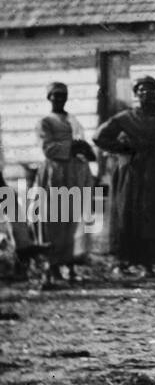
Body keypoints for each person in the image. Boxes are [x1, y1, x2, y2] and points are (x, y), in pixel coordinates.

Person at [95, 77, 155, 277]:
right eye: (142, 90)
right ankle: (145, 264)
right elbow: (100, 137)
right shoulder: (126, 117)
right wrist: (125, 148)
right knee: (142, 217)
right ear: (136, 93)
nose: (146, 93)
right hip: (140, 172)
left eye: (150, 90)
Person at [32, 81, 96, 285]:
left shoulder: (73, 120)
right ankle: (52, 267)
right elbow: (48, 148)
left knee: (73, 219)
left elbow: (83, 145)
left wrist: (82, 149)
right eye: (55, 95)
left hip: (74, 174)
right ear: (49, 97)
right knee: (53, 219)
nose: (59, 99)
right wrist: (72, 146)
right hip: (54, 174)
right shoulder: (45, 122)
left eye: (63, 95)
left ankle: (70, 266)